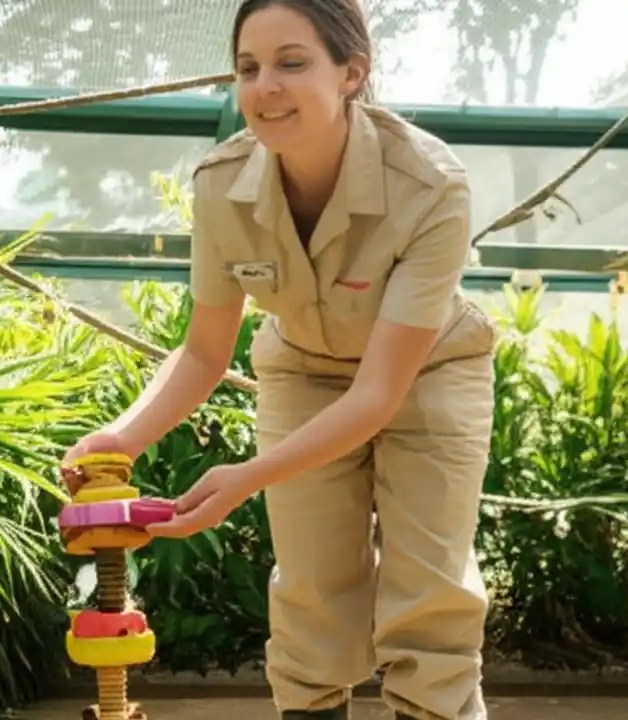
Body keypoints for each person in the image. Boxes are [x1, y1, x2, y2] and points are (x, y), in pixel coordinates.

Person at [60, 1, 497, 718]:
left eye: (292, 64)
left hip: (428, 373)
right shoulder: (220, 186)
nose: (265, 87)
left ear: (351, 72)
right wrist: (121, 437)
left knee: (429, 594)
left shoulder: (431, 185)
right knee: (311, 591)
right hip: (301, 367)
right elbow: (204, 351)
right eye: (248, 68)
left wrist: (246, 479)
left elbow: (381, 391)